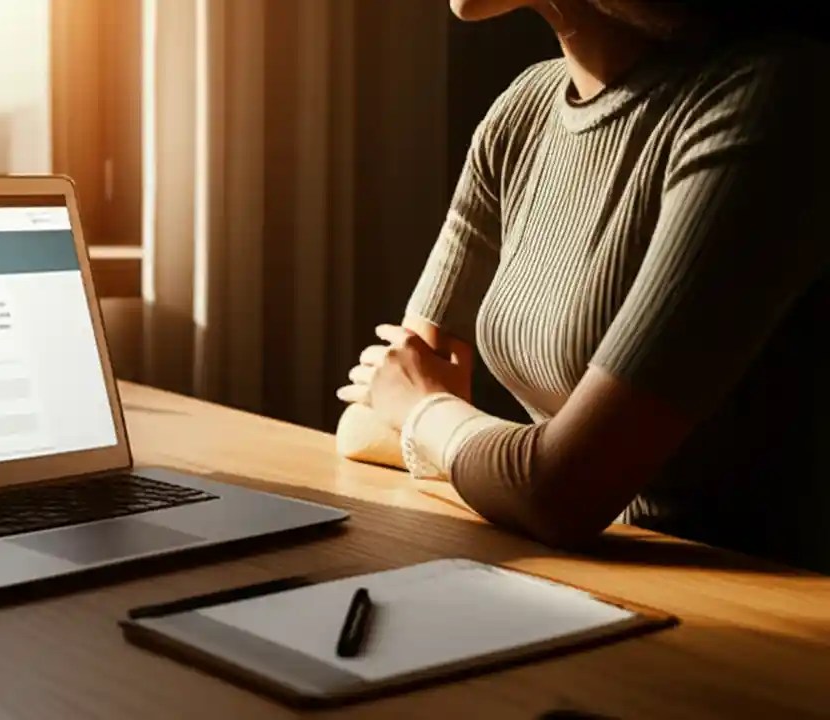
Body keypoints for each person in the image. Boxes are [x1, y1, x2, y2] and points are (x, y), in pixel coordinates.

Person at [336, 0, 830, 573]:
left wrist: (432, 420)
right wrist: (475, 449)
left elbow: (558, 491)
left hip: (766, 616)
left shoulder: (769, 100)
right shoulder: (523, 111)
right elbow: (369, 419)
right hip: (588, 579)